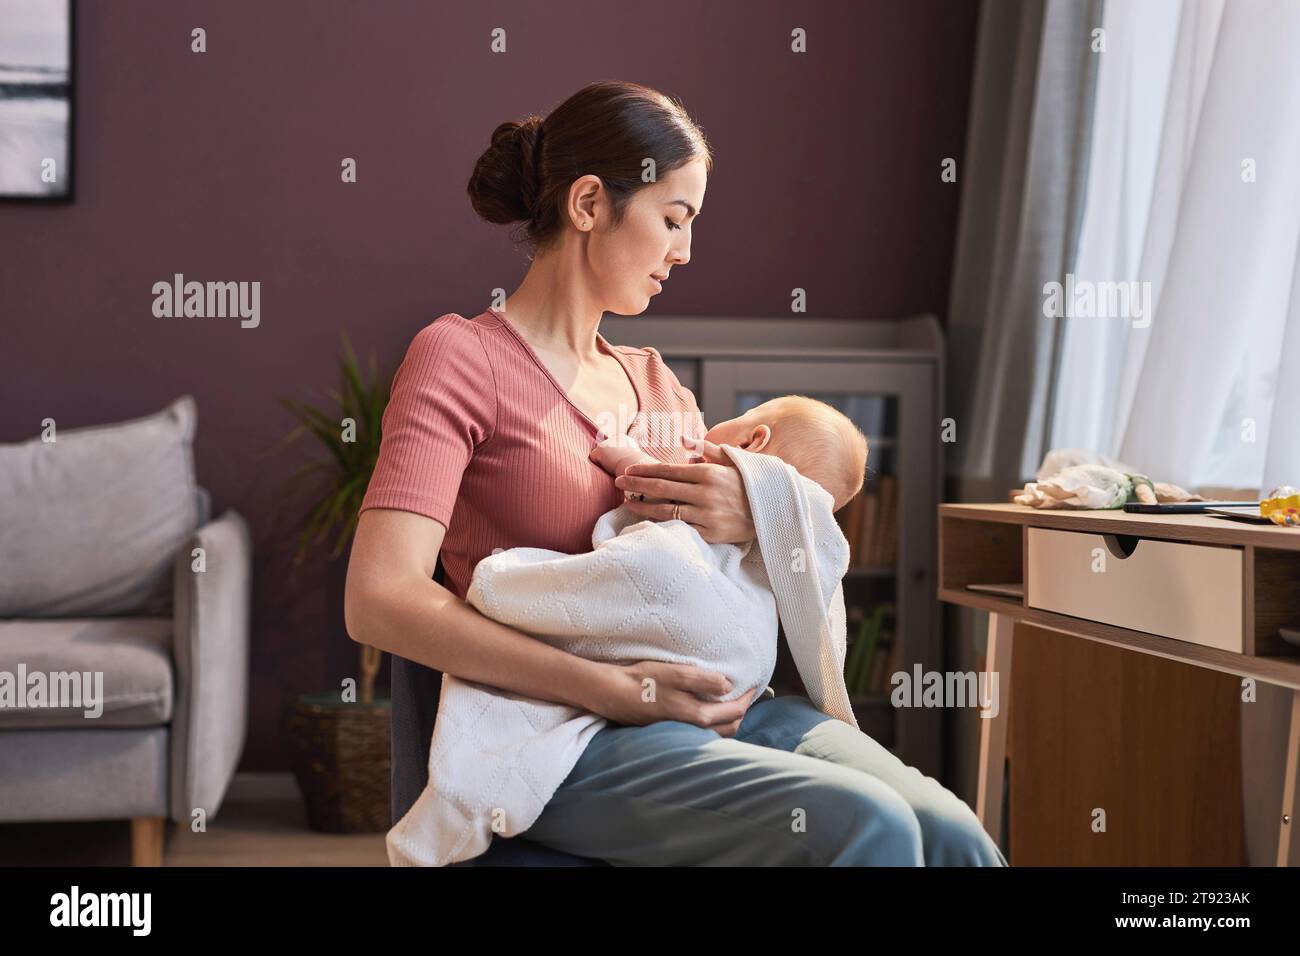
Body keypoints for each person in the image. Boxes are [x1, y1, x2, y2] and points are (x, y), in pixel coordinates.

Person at [344, 79, 1006, 866]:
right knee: (870, 825)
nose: (684, 251)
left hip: (715, 705)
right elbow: (378, 600)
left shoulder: (658, 383)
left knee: (953, 832)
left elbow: (711, 580)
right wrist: (612, 691)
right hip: (562, 728)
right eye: (672, 219)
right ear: (590, 204)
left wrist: (755, 509)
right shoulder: (459, 358)